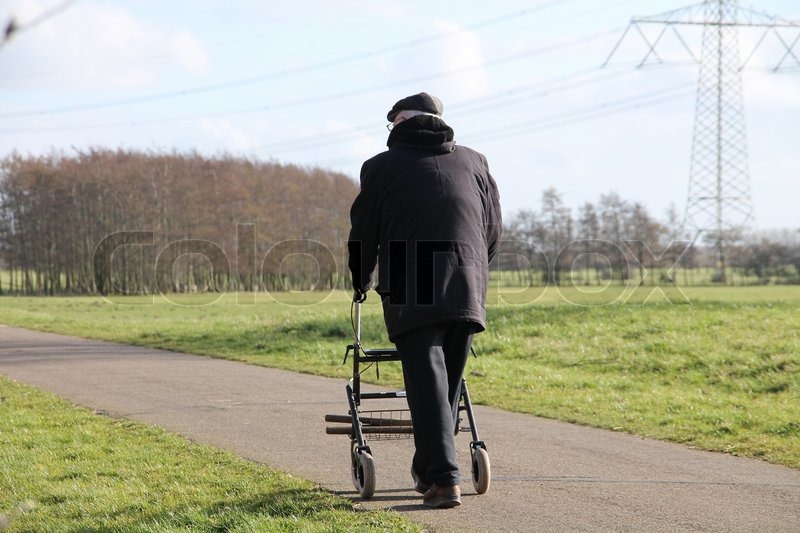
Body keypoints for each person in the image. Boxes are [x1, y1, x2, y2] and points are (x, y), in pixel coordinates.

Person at [348, 91, 502, 508]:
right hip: (468, 283)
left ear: (399, 122)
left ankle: (443, 480)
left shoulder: (380, 167)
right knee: (445, 385)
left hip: (410, 285)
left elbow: (365, 230)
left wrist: (360, 279)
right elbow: (492, 231)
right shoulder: (475, 161)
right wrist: (473, 269)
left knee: (427, 384)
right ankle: (428, 467)